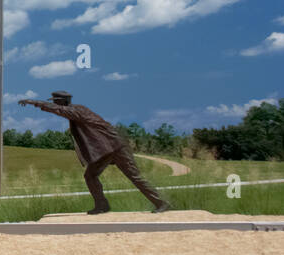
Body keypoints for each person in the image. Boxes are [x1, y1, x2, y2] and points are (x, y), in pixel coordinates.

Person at [18, 91, 172, 214]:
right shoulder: (78, 109)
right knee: (90, 176)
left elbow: (59, 110)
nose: (54, 103)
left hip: (115, 146)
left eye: (55, 101)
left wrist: (35, 102)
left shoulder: (76, 111)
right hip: (107, 148)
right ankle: (102, 205)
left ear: (62, 102)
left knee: (134, 176)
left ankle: (161, 202)